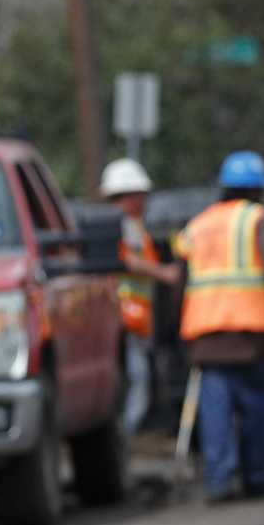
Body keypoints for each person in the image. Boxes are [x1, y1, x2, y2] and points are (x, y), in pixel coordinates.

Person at [170, 150, 264, 503]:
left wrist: (177, 329)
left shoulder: (198, 225)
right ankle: (258, 477)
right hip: (250, 333)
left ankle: (219, 481)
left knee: (215, 410)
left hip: (206, 335)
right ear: (257, 190)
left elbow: (180, 282)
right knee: (257, 408)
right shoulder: (256, 219)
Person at [98, 158, 182, 435]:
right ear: (129, 196)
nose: (145, 200)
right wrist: (165, 273)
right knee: (136, 377)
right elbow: (128, 261)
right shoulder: (124, 224)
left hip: (131, 315)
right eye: (141, 194)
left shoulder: (122, 224)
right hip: (127, 314)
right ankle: (126, 433)